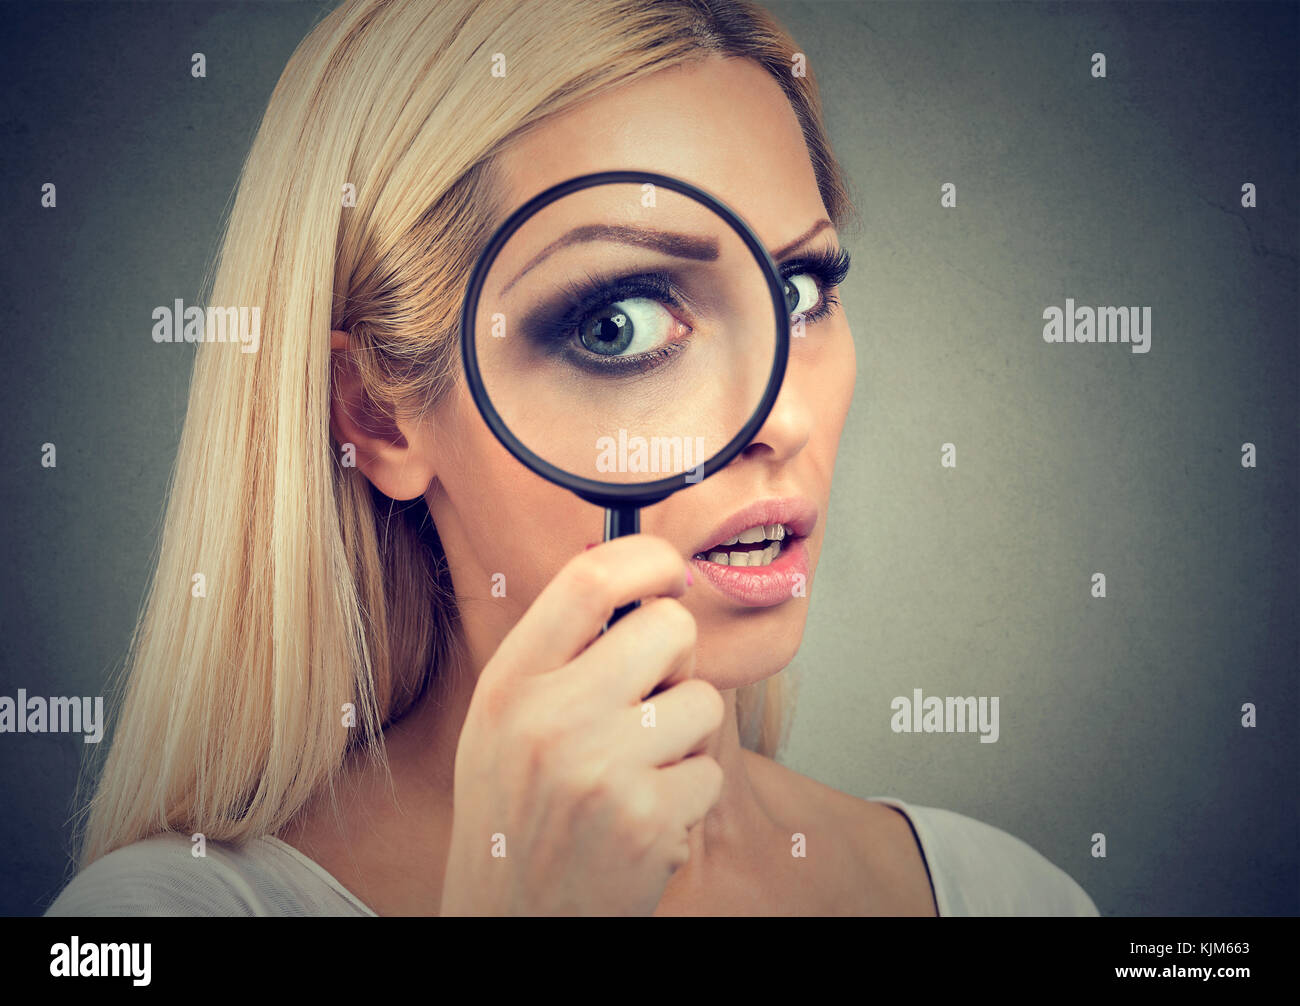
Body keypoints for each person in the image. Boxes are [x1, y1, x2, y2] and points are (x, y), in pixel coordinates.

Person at [46, 0, 1098, 917]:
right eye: (619, 323)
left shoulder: (1004, 893)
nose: (776, 417)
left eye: (797, 294)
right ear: (374, 416)